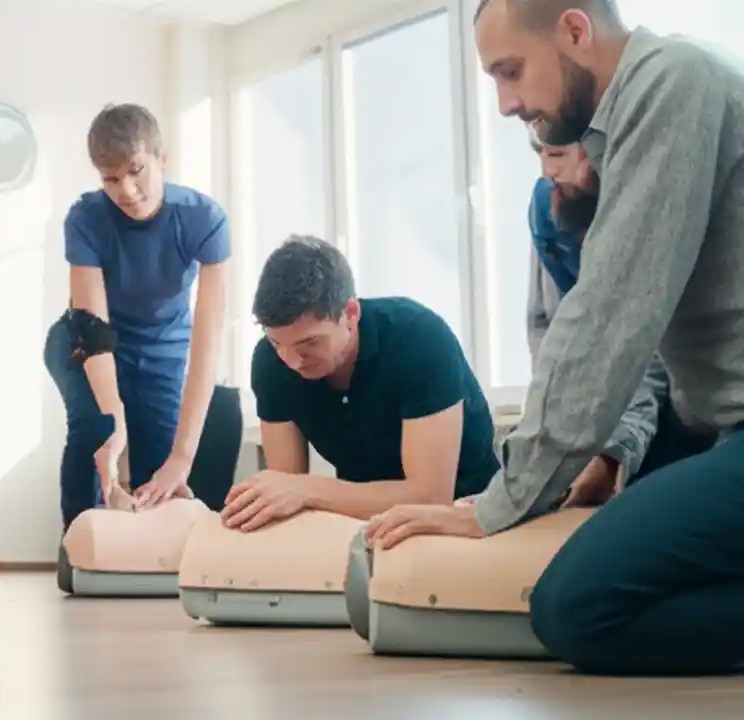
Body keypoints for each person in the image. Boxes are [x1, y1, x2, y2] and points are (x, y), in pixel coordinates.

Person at [366, 0, 744, 675]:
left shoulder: (671, 83)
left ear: (575, 29)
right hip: (721, 430)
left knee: (577, 608)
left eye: (511, 72)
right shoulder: (633, 119)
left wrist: (498, 503)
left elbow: (611, 312)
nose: (507, 104)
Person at [221, 236, 498, 532]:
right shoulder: (270, 361)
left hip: (468, 519)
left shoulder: (418, 337)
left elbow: (430, 498)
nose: (292, 360)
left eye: (309, 343)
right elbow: (283, 491)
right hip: (362, 523)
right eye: (277, 343)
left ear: (350, 313)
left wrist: (306, 490)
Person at [44, 103, 230, 530]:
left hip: (164, 351)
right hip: (85, 342)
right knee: (96, 430)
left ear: (163, 159)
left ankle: (147, 557)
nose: (126, 190)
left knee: (161, 474)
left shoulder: (204, 219)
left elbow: (207, 342)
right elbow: (93, 329)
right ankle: (78, 545)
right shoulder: (86, 218)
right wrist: (115, 423)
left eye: (136, 170)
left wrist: (181, 458)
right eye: (110, 178)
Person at [526, 134, 714, 506]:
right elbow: (549, 328)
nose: (548, 171)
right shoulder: (550, 204)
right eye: (540, 155)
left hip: (689, 413)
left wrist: (614, 454)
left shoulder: (658, 206)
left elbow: (644, 346)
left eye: (558, 154)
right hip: (606, 412)